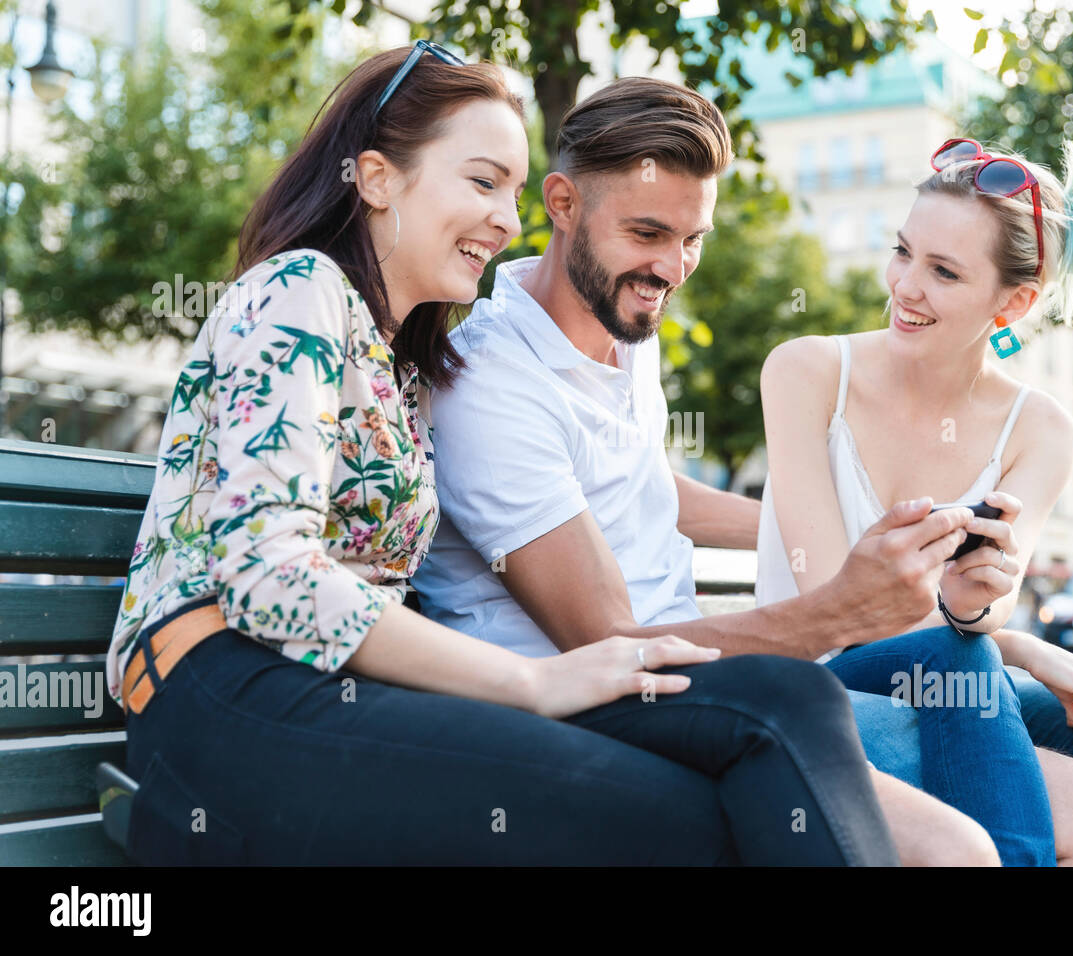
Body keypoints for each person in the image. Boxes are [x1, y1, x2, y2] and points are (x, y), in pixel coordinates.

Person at [105, 43, 906, 866]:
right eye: (483, 181)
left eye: (513, 191)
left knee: (762, 725)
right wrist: (531, 683)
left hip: (336, 699)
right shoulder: (297, 291)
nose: (505, 217)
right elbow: (267, 574)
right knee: (719, 784)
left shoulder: (403, 363)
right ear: (377, 180)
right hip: (225, 700)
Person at [411, 76, 1073, 866]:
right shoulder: (492, 383)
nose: (672, 266)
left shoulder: (619, 321)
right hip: (600, 707)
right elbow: (611, 645)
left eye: (692, 238)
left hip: (705, 677)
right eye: (648, 233)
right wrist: (841, 607)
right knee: (999, 832)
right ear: (561, 204)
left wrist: (940, 586)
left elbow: (646, 495)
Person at [757, 138, 1073, 865]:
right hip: (823, 668)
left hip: (959, 669)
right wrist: (1009, 643)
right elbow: (838, 602)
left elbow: (980, 611)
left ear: (1013, 302)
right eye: (903, 251)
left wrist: (983, 601)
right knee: (963, 665)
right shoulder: (808, 371)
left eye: (944, 271)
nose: (905, 286)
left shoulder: (1041, 428)